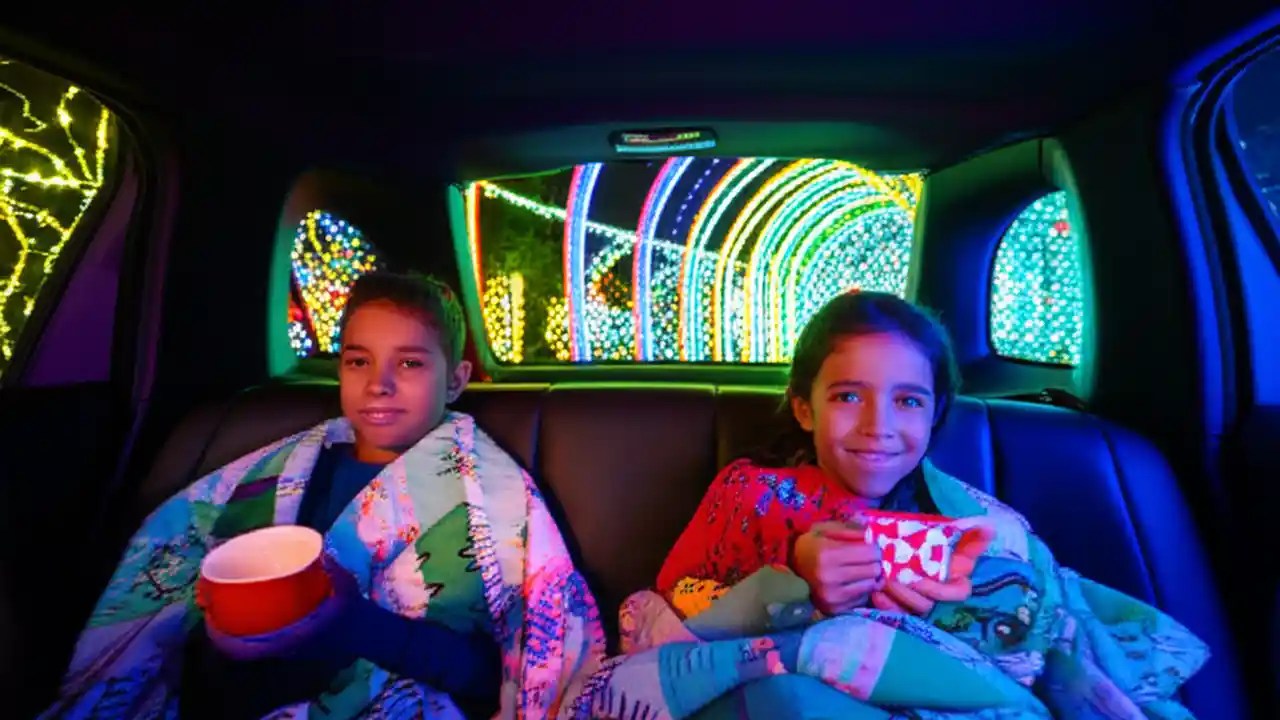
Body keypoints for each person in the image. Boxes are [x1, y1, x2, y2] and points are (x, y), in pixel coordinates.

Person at [572, 291, 1208, 719]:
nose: (879, 425)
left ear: (934, 418)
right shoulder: (750, 495)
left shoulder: (968, 524)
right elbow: (670, 607)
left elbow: (1032, 615)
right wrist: (789, 580)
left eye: (908, 401)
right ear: (804, 407)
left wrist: (960, 611)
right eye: (849, 396)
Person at [42, 272, 605, 720]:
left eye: (408, 363)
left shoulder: (486, 495)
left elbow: (502, 670)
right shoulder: (277, 477)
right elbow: (179, 584)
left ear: (455, 381)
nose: (378, 383)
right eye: (358, 360)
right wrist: (219, 637)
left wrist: (352, 624)